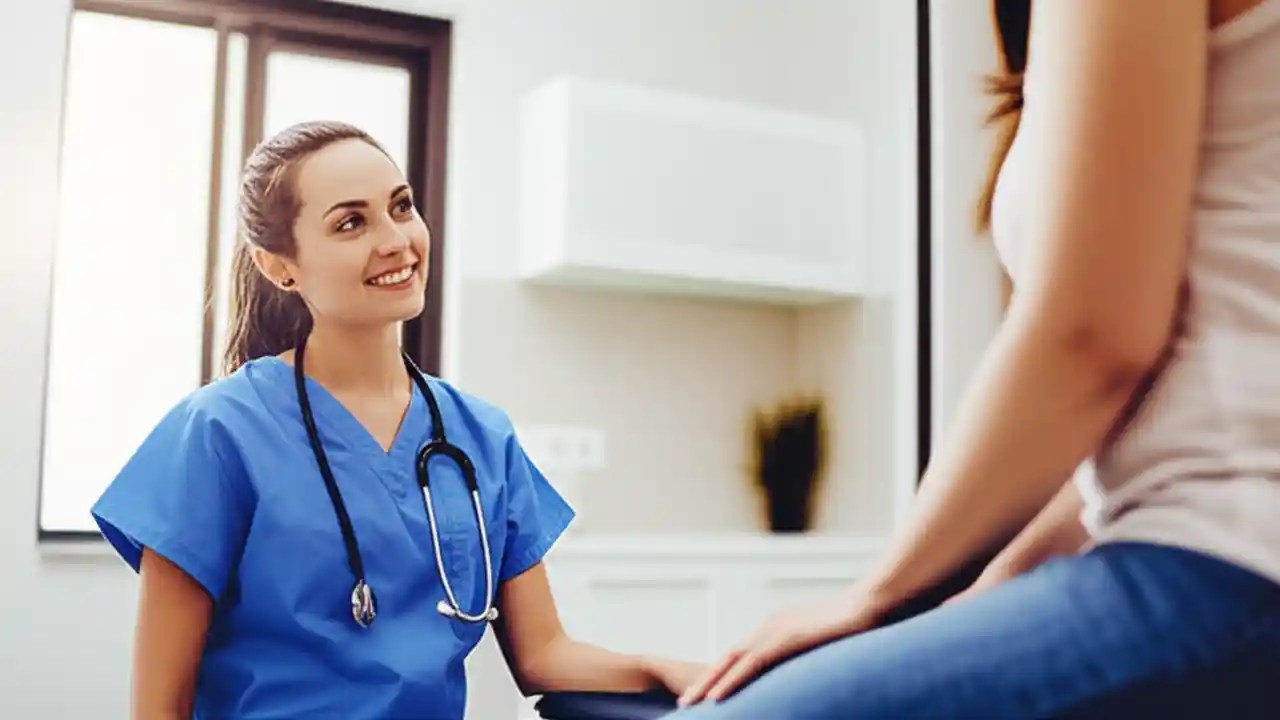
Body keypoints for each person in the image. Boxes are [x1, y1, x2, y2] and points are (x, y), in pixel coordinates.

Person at [670, 0, 1280, 717]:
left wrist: (873, 596)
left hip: (1228, 566)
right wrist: (964, 605)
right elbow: (1117, 451)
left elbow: (1092, 338)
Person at [92, 120, 701, 719]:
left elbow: (543, 653)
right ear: (280, 264)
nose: (395, 240)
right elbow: (158, 709)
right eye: (351, 222)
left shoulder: (480, 436)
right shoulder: (218, 433)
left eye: (402, 207)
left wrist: (662, 669)